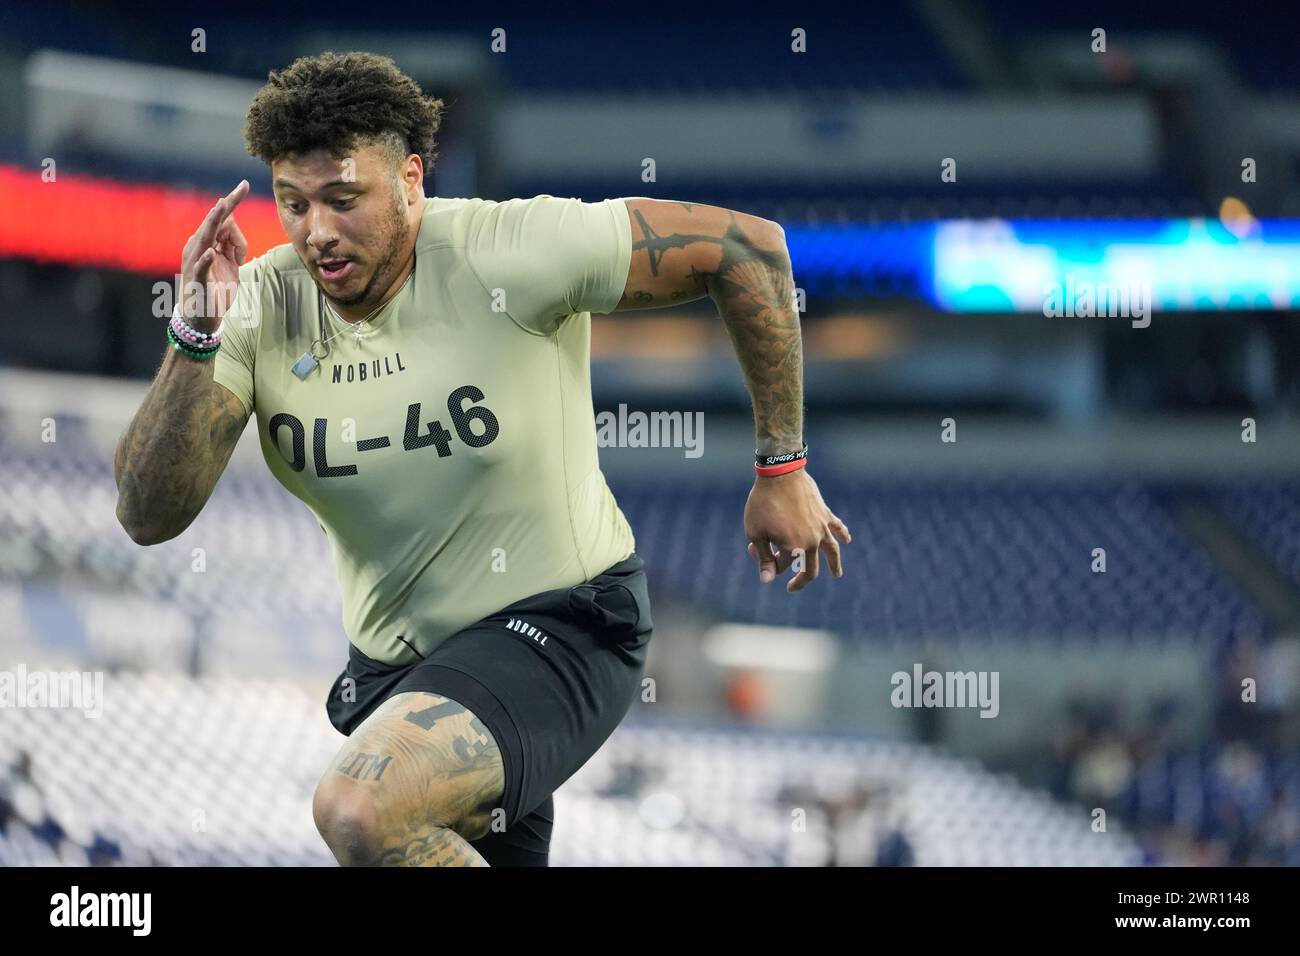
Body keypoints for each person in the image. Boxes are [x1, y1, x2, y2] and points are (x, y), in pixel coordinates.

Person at [113, 51, 852, 866]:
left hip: (562, 626)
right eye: (293, 203)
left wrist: (781, 468)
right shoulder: (258, 302)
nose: (316, 232)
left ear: (411, 181)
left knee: (358, 809)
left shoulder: (509, 250)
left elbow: (747, 247)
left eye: (343, 199)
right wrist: (194, 334)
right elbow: (149, 515)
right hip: (396, 675)